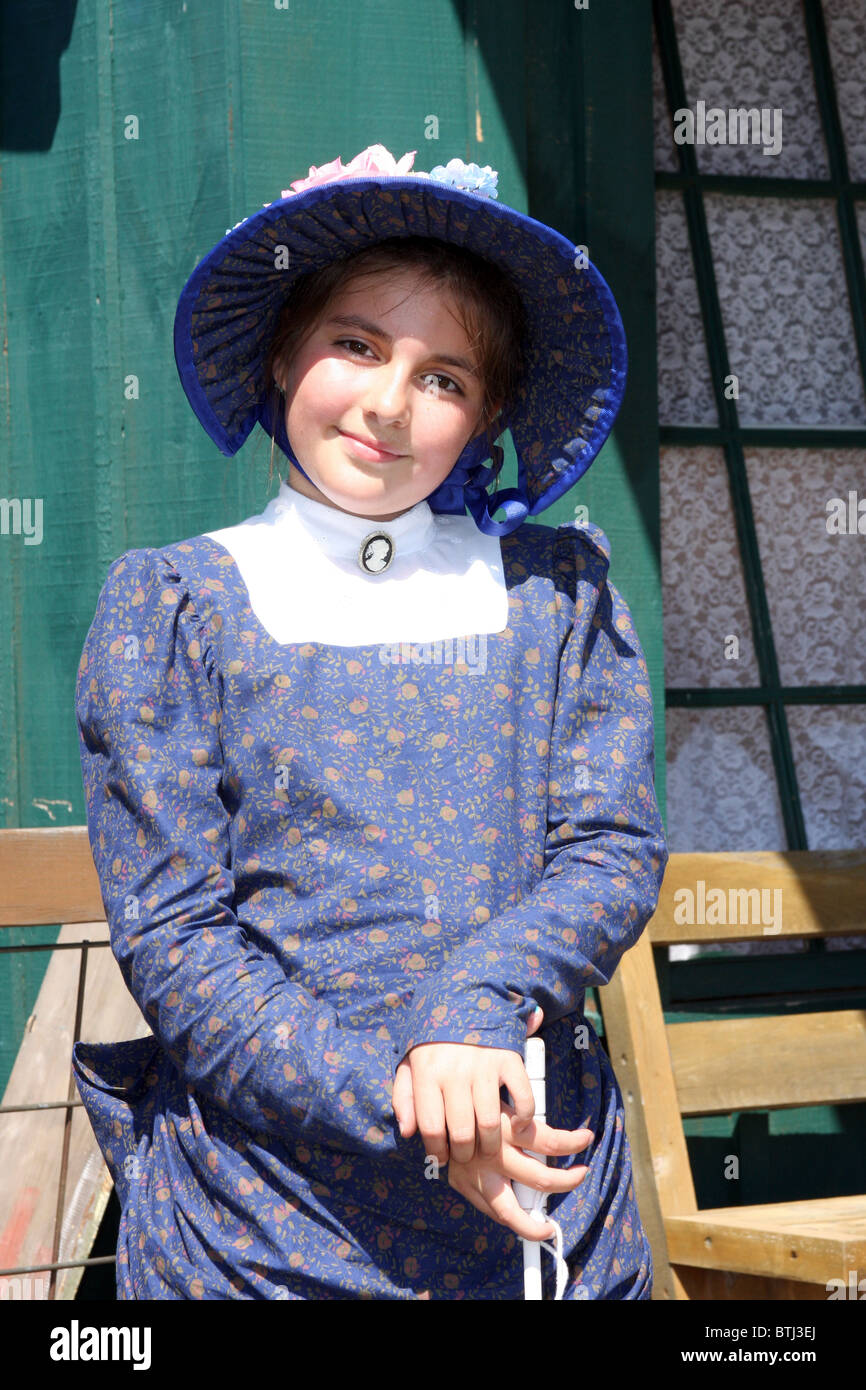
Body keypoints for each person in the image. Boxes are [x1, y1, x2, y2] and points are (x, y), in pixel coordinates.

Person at [72, 144, 669, 1301]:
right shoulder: (174, 606)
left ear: (486, 413)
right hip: (261, 1230)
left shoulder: (556, 592)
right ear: (285, 350)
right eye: (355, 344)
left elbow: (609, 845)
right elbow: (178, 941)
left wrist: (473, 1009)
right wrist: (412, 1097)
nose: (390, 401)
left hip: (540, 1204)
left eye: (444, 377)